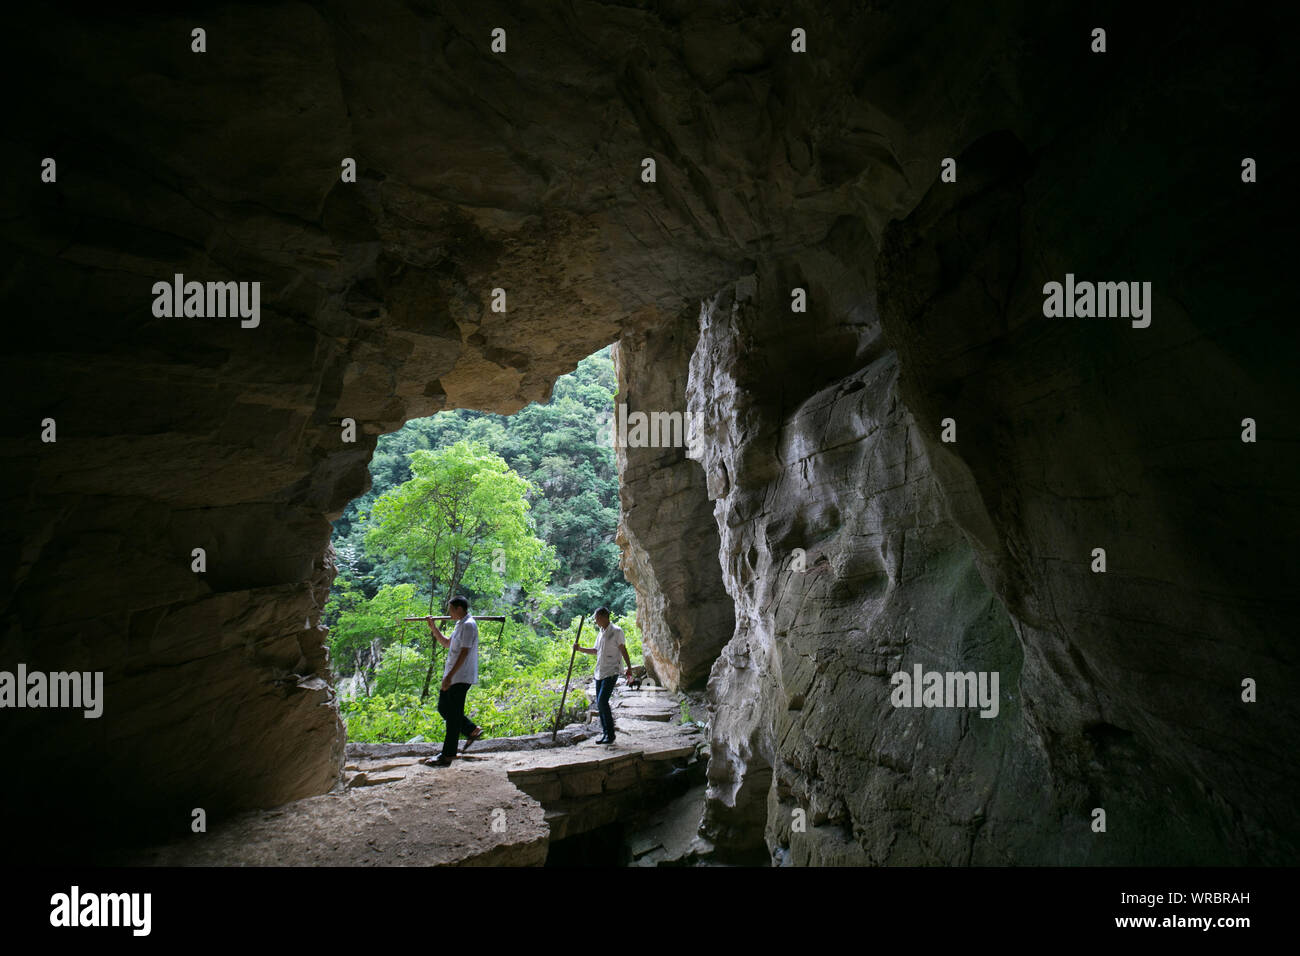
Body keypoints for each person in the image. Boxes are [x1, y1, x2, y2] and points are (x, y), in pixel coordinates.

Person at [422, 596, 482, 766]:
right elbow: (447, 643)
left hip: (461, 676)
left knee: (453, 715)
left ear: (459, 608)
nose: (449, 613)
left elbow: (464, 652)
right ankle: (471, 729)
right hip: (453, 675)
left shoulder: (469, 625)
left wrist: (450, 676)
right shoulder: (460, 624)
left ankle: (448, 754)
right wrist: (433, 627)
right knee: (444, 708)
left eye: (451, 609)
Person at [573, 607, 632, 745]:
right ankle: (606, 733)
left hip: (612, 671)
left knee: (602, 701)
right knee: (600, 704)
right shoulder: (601, 632)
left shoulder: (617, 631)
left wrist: (629, 668)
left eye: (597, 618)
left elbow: (623, 649)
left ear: (604, 617)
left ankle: (610, 734)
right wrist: (580, 649)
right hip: (600, 671)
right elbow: (596, 651)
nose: (595, 621)